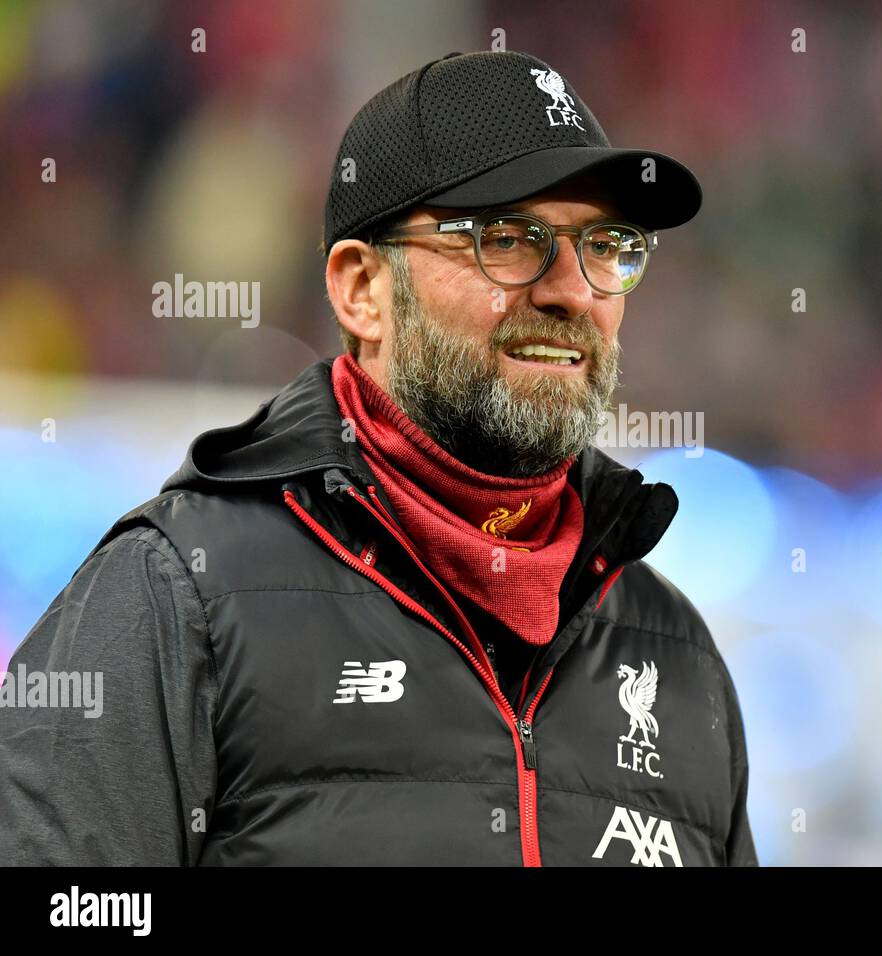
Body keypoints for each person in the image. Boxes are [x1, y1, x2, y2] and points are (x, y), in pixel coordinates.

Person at [0, 50, 757, 867]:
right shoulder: (179, 594)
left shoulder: (675, 652)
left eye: (606, 246)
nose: (574, 291)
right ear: (363, 289)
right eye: (509, 238)